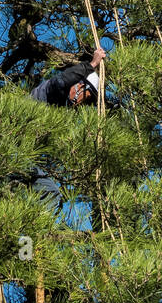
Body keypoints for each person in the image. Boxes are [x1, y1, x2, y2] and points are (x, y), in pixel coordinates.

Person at [28, 46, 107, 209]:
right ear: (78, 85)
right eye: (86, 95)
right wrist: (91, 64)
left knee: (52, 196)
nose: (82, 102)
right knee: (50, 194)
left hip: (25, 155)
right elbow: (62, 79)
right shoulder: (53, 91)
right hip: (14, 147)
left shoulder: (62, 110)